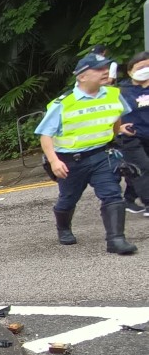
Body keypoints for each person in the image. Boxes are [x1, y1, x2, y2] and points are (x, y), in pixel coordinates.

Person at [35, 51, 137, 254]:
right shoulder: (63, 103)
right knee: (68, 199)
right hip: (70, 161)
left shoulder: (113, 94)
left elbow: (116, 117)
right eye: (98, 69)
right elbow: (45, 135)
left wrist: (117, 132)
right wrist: (54, 161)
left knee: (112, 194)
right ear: (82, 76)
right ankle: (63, 227)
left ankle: (116, 240)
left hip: (102, 155)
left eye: (106, 68)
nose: (105, 72)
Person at [116, 51, 149, 217]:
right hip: (131, 137)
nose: (145, 70)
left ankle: (129, 199)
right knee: (144, 168)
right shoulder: (122, 91)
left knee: (135, 171)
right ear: (130, 71)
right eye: (141, 67)